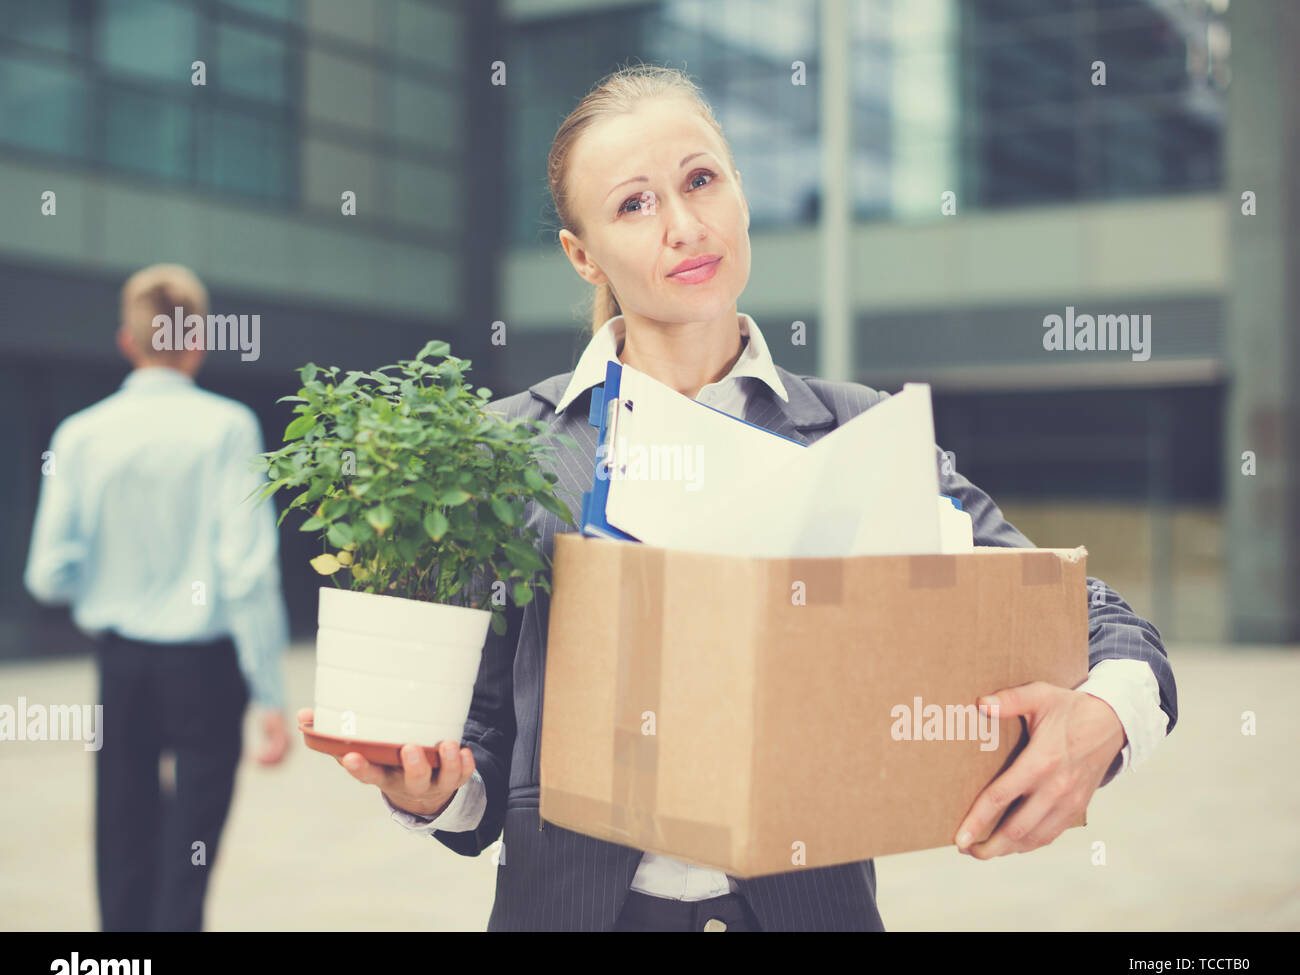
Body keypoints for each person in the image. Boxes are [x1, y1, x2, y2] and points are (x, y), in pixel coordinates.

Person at [300, 65, 1177, 931]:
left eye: (701, 180)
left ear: (741, 195)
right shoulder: (506, 451)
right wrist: (439, 794)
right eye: (634, 205)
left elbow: (1092, 616)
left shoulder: (857, 434)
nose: (685, 226)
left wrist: (1107, 716)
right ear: (582, 253)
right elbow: (486, 753)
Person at [24, 263, 291, 931]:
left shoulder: (80, 435)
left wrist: (111, 583)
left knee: (121, 842)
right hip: (208, 670)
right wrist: (271, 695)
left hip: (122, 664)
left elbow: (46, 575)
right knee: (188, 863)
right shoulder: (229, 429)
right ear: (196, 340)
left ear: (127, 341)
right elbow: (247, 573)